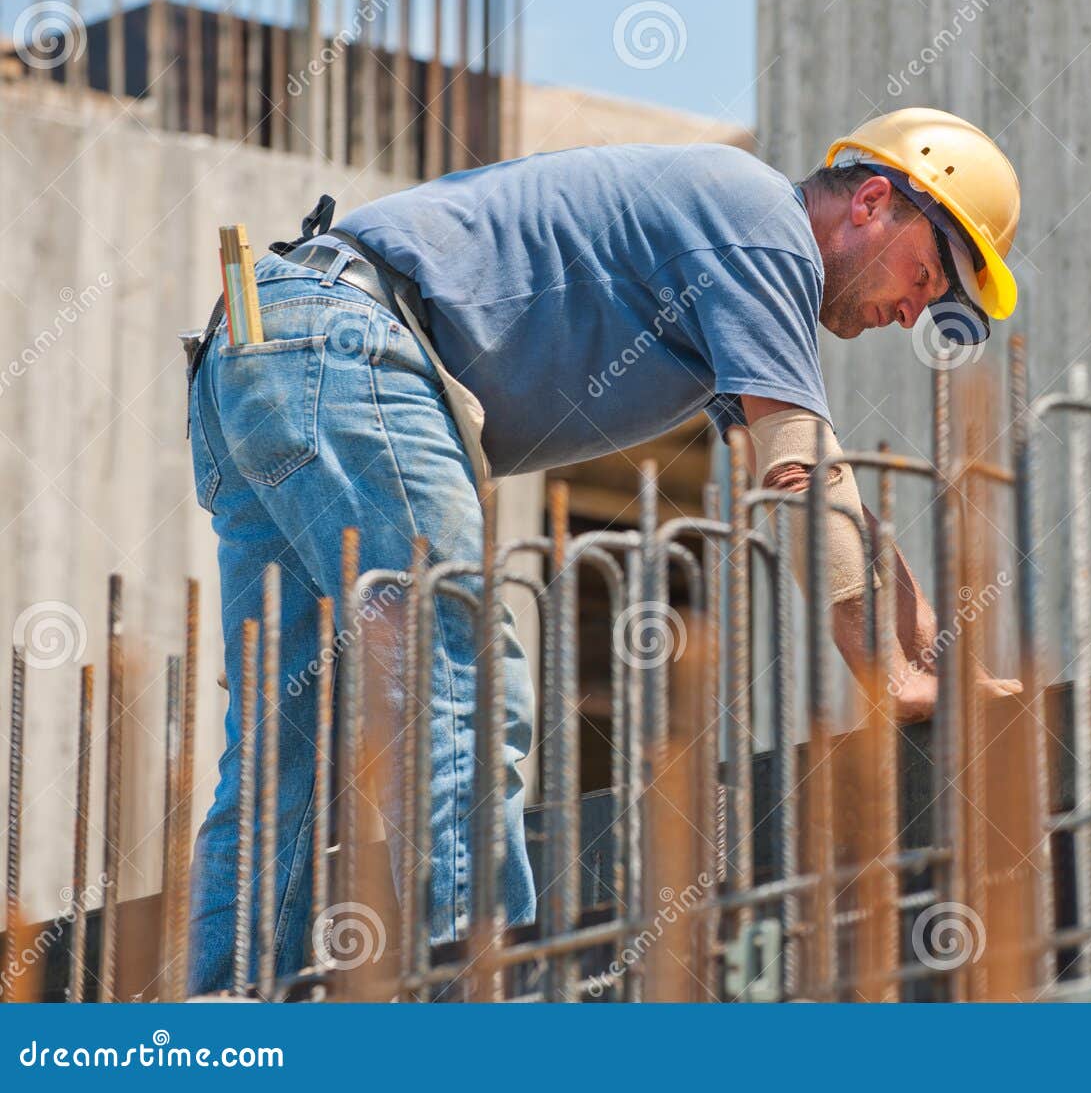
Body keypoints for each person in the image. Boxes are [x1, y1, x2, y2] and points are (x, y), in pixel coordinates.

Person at [183, 106, 1024, 993]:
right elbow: (803, 472)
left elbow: (811, 478)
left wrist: (931, 651)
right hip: (345, 347)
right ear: (873, 203)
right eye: (924, 273)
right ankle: (475, 1022)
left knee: (286, 746)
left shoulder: (728, 252)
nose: (912, 311)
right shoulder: (763, 226)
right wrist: (891, 672)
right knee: (459, 681)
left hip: (261, 341)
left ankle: (224, 1026)